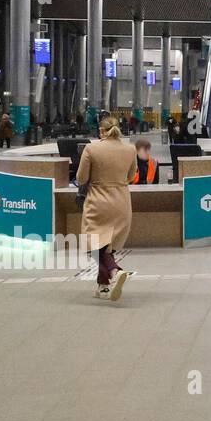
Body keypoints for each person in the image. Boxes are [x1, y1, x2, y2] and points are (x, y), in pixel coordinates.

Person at [78, 115, 138, 301]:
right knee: (107, 246)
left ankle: (114, 271)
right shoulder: (130, 149)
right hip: (121, 201)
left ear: (101, 131)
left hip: (98, 201)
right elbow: (131, 177)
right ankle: (103, 287)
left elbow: (81, 178)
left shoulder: (91, 149)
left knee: (93, 244)